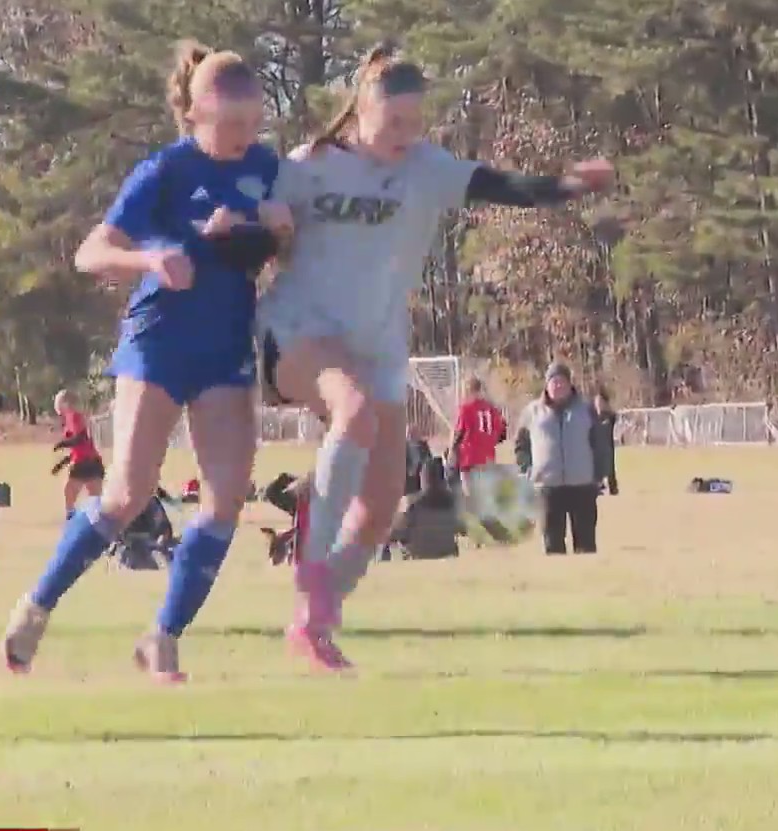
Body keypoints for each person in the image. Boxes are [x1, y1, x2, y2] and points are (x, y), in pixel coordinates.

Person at [262, 43, 613, 664]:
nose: (405, 134)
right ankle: (309, 571)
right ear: (359, 110)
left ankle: (315, 619)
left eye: (414, 122)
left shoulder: (425, 167)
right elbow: (254, 222)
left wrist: (564, 186)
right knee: (354, 415)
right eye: (392, 122)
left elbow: (496, 185)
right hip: (299, 329)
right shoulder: (309, 165)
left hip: (377, 345)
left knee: (377, 511)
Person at [3, 42, 289, 682]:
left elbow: (287, 248)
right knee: (128, 493)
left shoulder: (267, 167)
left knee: (225, 500)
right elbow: (90, 253)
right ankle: (38, 604)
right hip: (157, 338)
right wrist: (150, 261)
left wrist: (277, 225)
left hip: (224, 347)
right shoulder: (165, 170)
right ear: (196, 113)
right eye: (231, 125)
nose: (245, 138)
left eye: (253, 124)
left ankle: (163, 636)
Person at [519, 363, 600, 555]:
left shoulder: (586, 409)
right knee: (552, 541)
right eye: (553, 382)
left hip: (582, 484)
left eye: (561, 382)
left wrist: (599, 473)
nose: (558, 386)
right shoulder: (532, 412)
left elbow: (600, 443)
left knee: (586, 543)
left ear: (570, 384)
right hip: (548, 485)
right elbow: (520, 445)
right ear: (546, 385)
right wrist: (528, 470)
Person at [390, 455, 459, 559]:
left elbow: (396, 535)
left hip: (420, 554)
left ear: (423, 477)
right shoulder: (452, 501)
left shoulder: (411, 502)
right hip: (446, 553)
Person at [50, 389, 104, 512]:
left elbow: (79, 439)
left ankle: (71, 520)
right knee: (95, 502)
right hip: (93, 462)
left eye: (58, 401)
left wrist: (62, 444)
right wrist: (62, 464)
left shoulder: (73, 416)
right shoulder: (72, 418)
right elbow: (80, 447)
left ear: (65, 403)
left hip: (83, 463)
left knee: (69, 494)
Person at [449, 376, 507, 489]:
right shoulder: (492, 409)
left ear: (468, 391)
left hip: (470, 458)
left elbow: (460, 432)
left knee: (470, 495)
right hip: (489, 458)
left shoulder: (466, 409)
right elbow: (502, 433)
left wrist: (452, 450)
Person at [590, 389, 619, 495]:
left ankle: (613, 488)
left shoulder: (609, 415)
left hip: (607, 445)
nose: (598, 404)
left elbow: (612, 421)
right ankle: (597, 486)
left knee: (609, 467)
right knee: (596, 467)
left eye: (601, 402)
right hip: (596, 445)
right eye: (597, 402)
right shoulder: (592, 415)